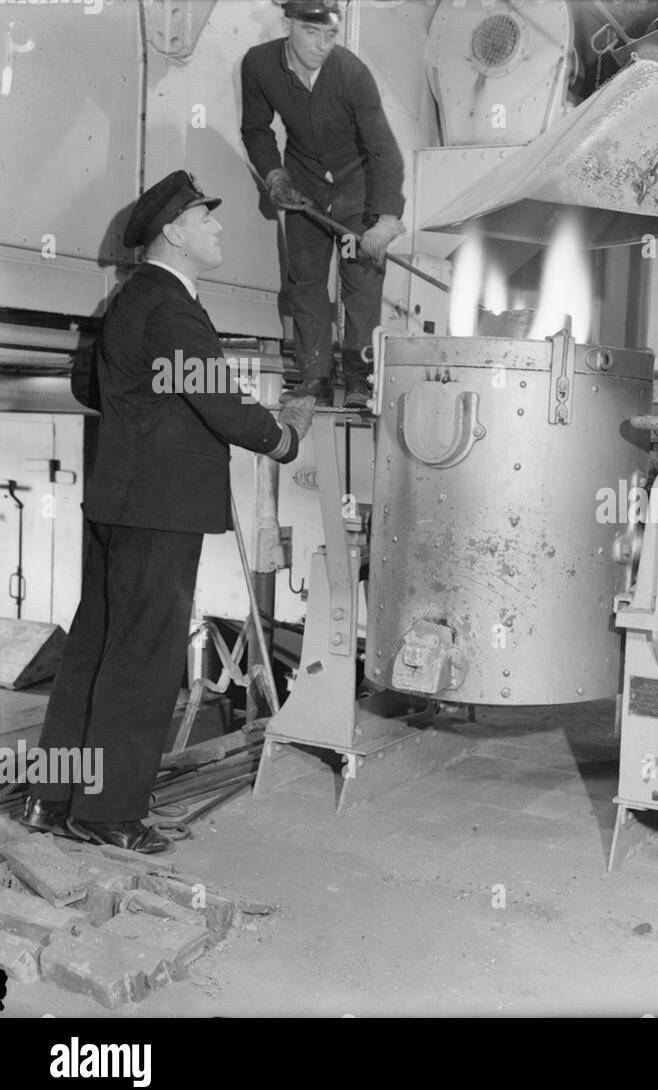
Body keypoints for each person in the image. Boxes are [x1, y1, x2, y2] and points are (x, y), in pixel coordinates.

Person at [17, 170, 316, 854]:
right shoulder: (173, 305)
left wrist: (146, 416)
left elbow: (89, 384)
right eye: (206, 219)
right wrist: (282, 435)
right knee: (144, 659)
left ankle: (52, 797)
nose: (216, 229)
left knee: (95, 650)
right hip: (158, 512)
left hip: (116, 502)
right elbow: (219, 400)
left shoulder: (127, 301)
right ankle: (109, 813)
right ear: (174, 231)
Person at [240, 0, 406, 409]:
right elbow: (256, 130)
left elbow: (384, 151)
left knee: (362, 284)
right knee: (306, 281)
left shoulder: (352, 73)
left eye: (330, 34)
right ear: (287, 24)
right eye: (311, 33)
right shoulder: (259, 65)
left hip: (357, 187)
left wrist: (386, 221)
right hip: (305, 187)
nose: (321, 45)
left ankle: (358, 380)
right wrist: (275, 176)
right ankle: (314, 378)